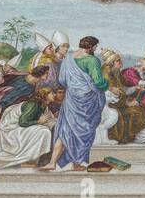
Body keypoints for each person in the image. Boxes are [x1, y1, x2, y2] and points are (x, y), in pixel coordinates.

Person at [42, 35, 109, 171]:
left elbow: (62, 80)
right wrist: (107, 84)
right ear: (90, 47)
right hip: (87, 101)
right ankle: (77, 162)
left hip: (71, 100)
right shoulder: (92, 60)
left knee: (66, 130)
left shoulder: (69, 58)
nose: (96, 49)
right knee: (84, 131)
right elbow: (98, 82)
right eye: (95, 46)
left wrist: (74, 86)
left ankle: (52, 162)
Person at [0, 67, 53, 174]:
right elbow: (10, 95)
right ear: (41, 73)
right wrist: (0, 107)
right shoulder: (27, 87)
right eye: (46, 74)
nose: (47, 76)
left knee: (3, 140)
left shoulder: (27, 78)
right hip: (6, 110)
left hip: (14, 111)